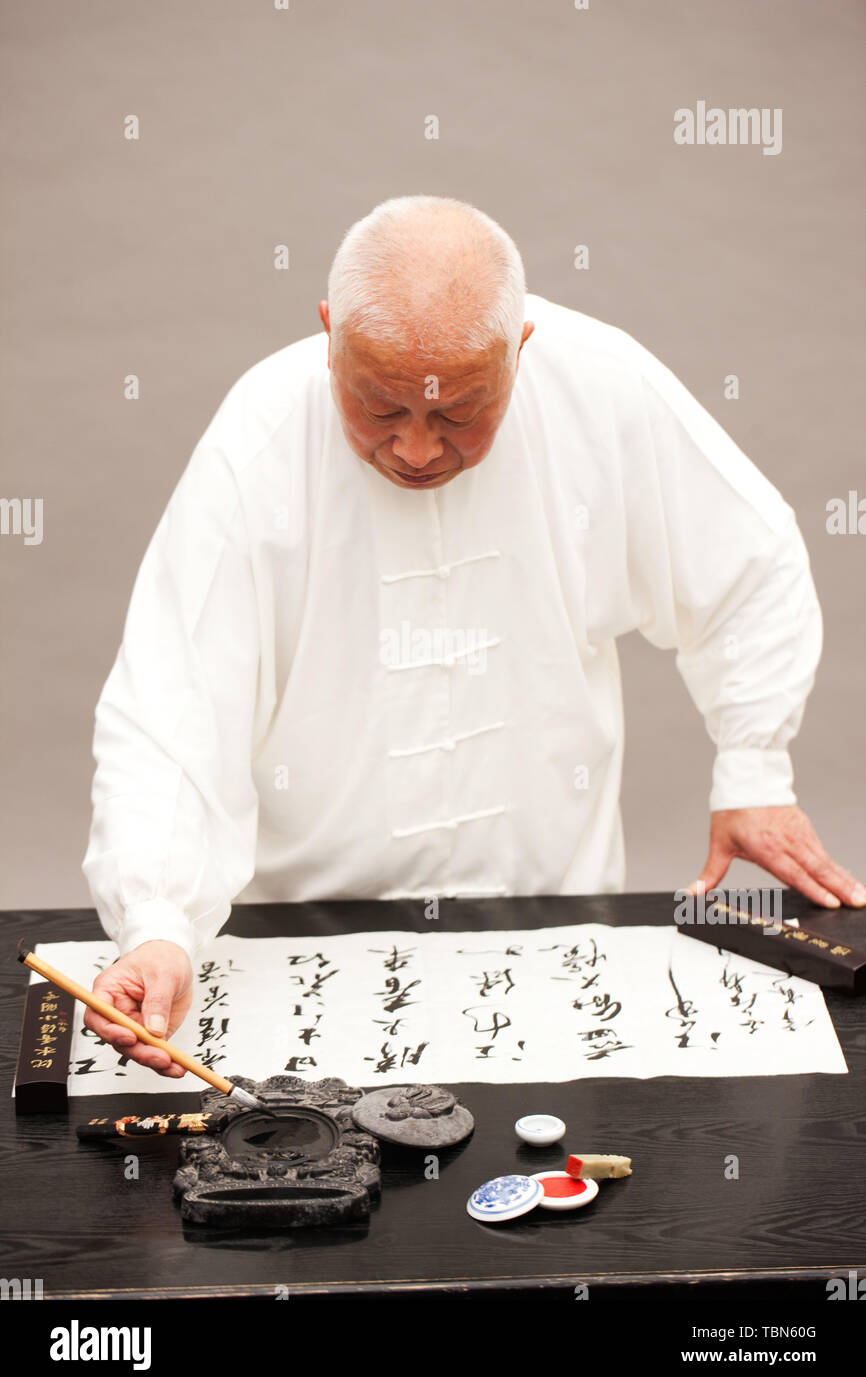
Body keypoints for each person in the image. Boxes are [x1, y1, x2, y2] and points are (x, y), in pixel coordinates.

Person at [81, 194, 865, 1079]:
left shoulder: (602, 389)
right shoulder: (259, 437)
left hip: (556, 922)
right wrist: (158, 925)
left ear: (518, 348)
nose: (417, 449)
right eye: (380, 408)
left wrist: (754, 770)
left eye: (458, 413)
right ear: (329, 333)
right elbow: (172, 708)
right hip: (302, 936)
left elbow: (748, 559)